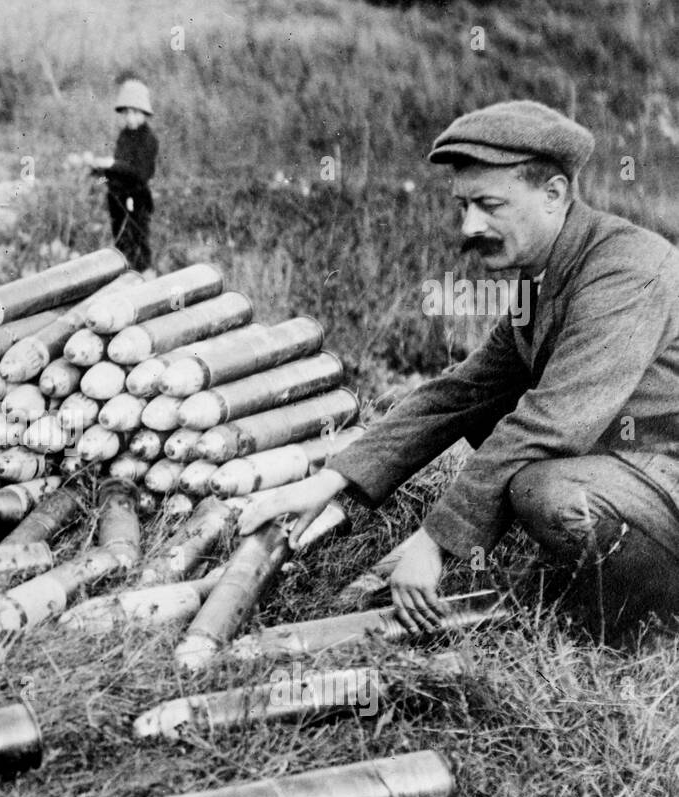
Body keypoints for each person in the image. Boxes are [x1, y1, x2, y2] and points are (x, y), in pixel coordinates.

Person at [258, 100, 679, 642]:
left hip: (665, 468)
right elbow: (462, 391)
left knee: (545, 490)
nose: (470, 225)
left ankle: (647, 623)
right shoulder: (545, 276)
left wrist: (434, 542)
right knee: (489, 417)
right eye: (462, 206)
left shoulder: (629, 271)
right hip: (636, 467)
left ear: (553, 194)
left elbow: (551, 423)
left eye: (489, 204)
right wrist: (330, 481)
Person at [86, 78, 159, 275]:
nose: (130, 118)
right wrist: (98, 172)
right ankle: (126, 278)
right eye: (126, 113)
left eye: (135, 113)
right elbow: (115, 171)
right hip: (117, 199)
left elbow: (139, 173)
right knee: (121, 243)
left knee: (139, 241)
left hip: (136, 199)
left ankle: (145, 279)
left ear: (144, 113)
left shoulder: (148, 139)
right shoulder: (124, 136)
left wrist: (111, 164)